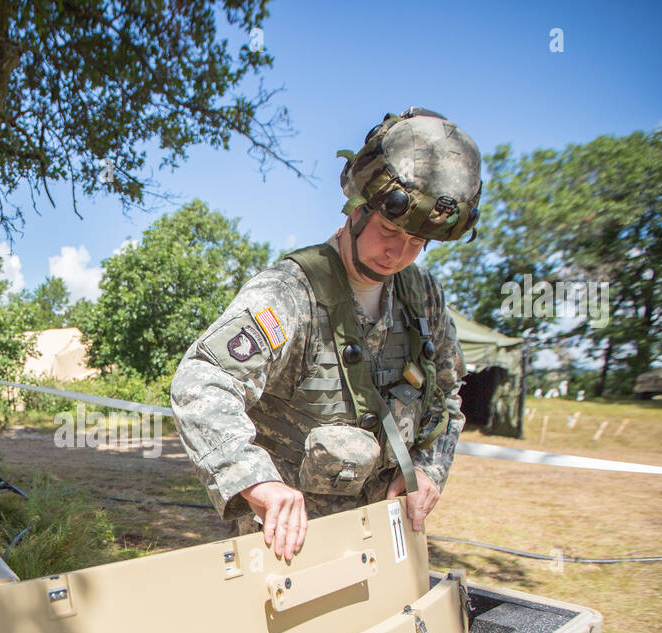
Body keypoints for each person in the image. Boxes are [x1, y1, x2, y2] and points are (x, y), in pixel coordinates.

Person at [170, 107, 482, 561]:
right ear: (358, 206)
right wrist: (259, 482)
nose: (398, 252)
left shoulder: (423, 298)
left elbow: (449, 397)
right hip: (285, 549)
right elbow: (201, 379)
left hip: (384, 541)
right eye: (389, 229)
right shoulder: (290, 294)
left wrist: (430, 470)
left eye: (418, 243)